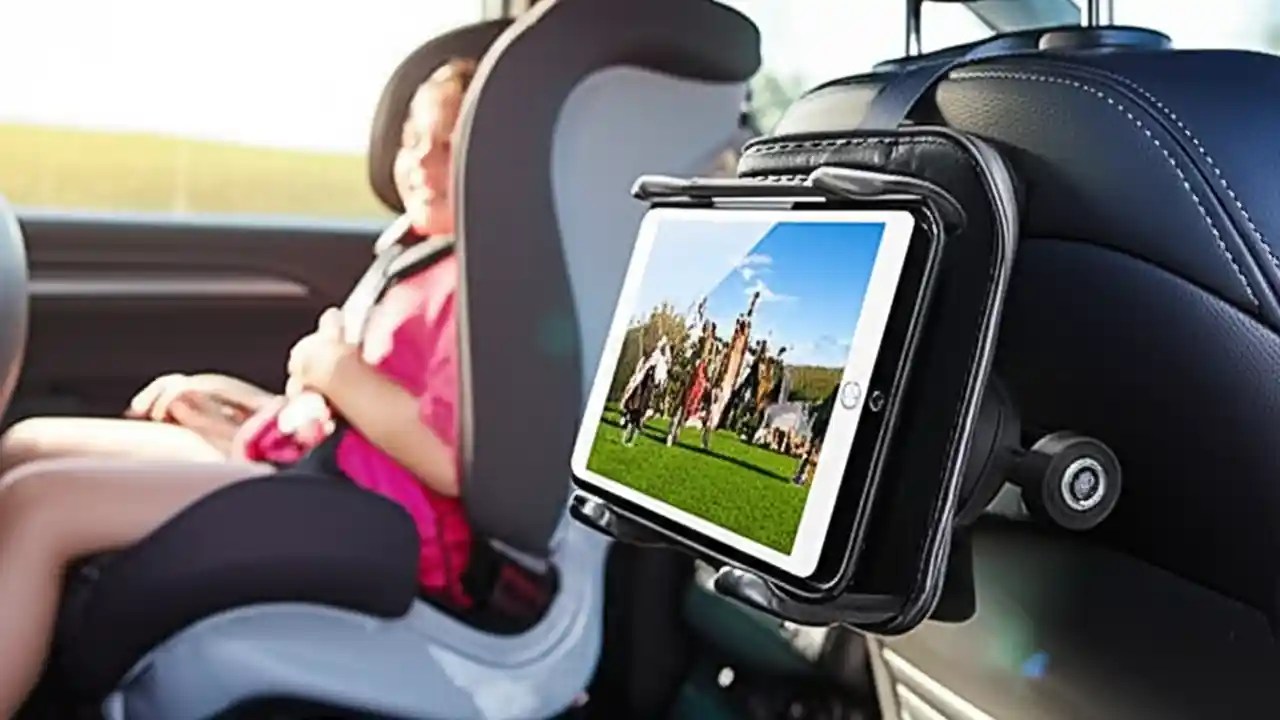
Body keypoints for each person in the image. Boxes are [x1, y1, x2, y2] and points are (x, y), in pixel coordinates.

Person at [0, 57, 479, 716]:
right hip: (318, 468)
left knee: (39, 506)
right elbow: (346, 422)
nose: (420, 161)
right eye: (410, 141)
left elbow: (447, 456)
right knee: (26, 445)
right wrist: (234, 406)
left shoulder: (475, 285)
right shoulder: (412, 258)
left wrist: (330, 366)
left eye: (448, 146)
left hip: (368, 510)